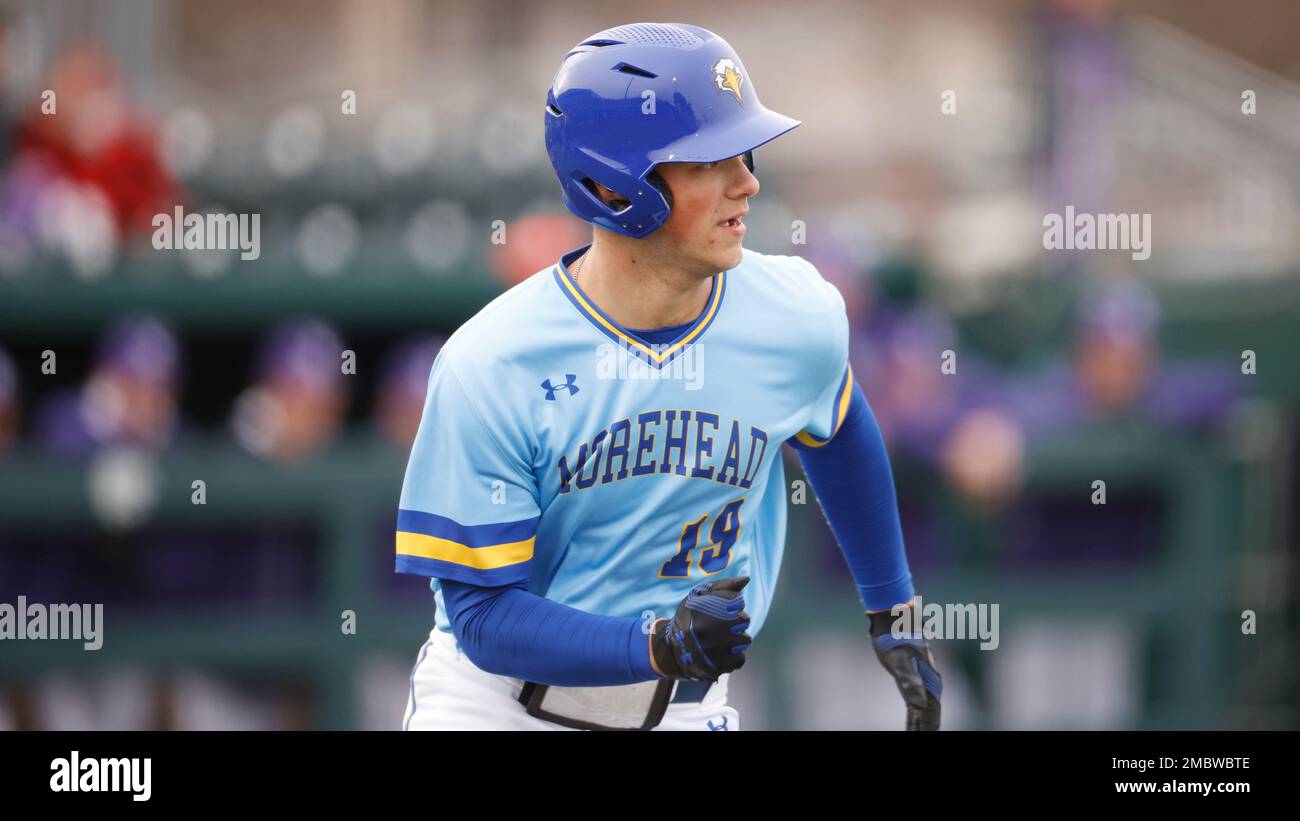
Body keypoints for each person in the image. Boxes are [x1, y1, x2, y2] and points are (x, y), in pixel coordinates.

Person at [396, 23, 940, 731]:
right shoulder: (492, 363)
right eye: (711, 160)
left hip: (682, 709)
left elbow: (838, 429)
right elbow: (481, 616)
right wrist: (655, 643)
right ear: (612, 182)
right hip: (501, 706)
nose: (748, 183)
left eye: (745, 154)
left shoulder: (793, 314)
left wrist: (891, 606)